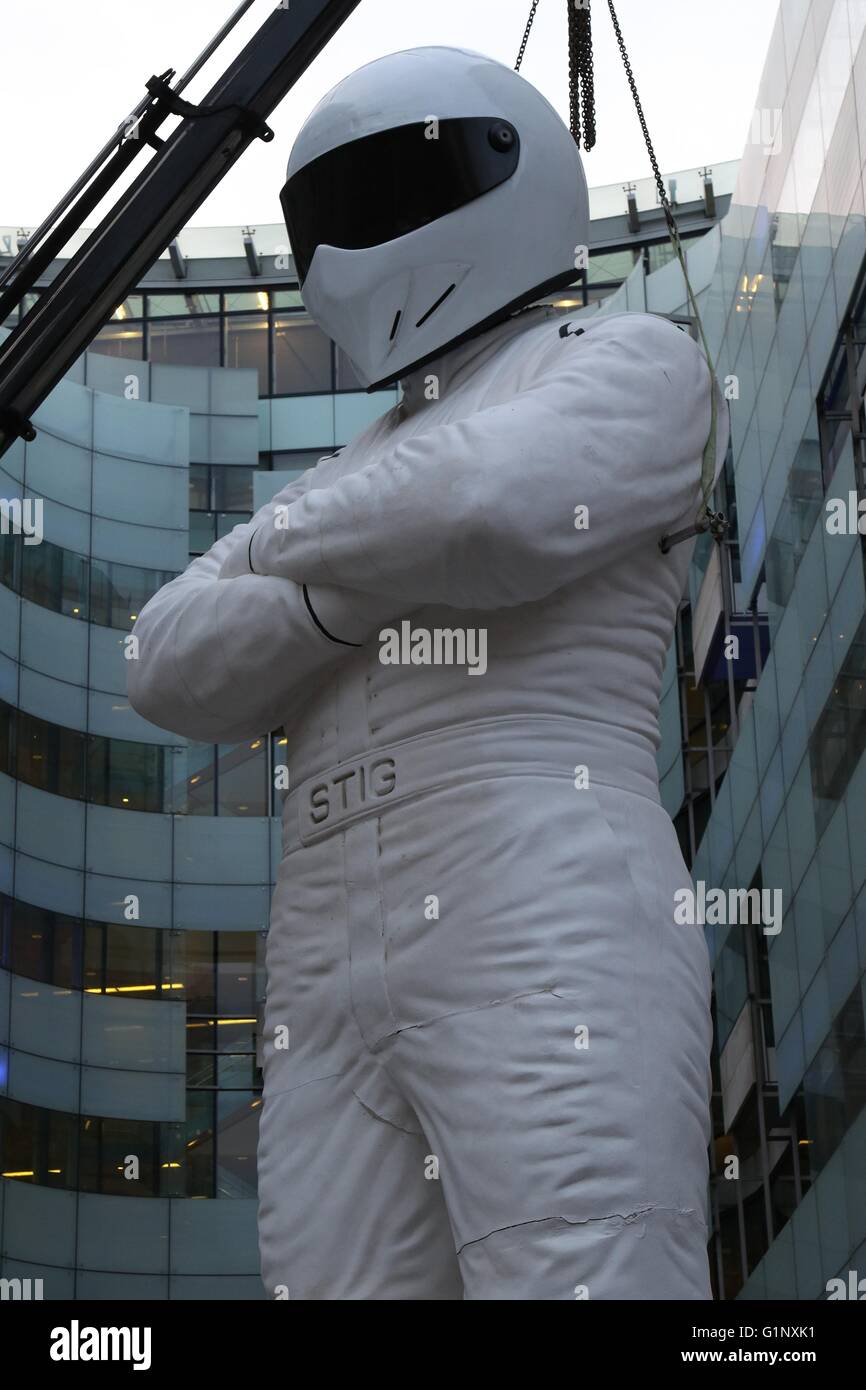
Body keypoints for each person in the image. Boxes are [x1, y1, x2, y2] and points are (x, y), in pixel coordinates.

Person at [128, 45, 729, 1300]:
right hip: (322, 944)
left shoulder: (630, 362)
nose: (356, 241)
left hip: (537, 878)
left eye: (383, 194)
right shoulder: (352, 469)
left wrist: (284, 564)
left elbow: (493, 509)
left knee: (585, 1266)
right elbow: (165, 660)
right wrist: (370, 573)